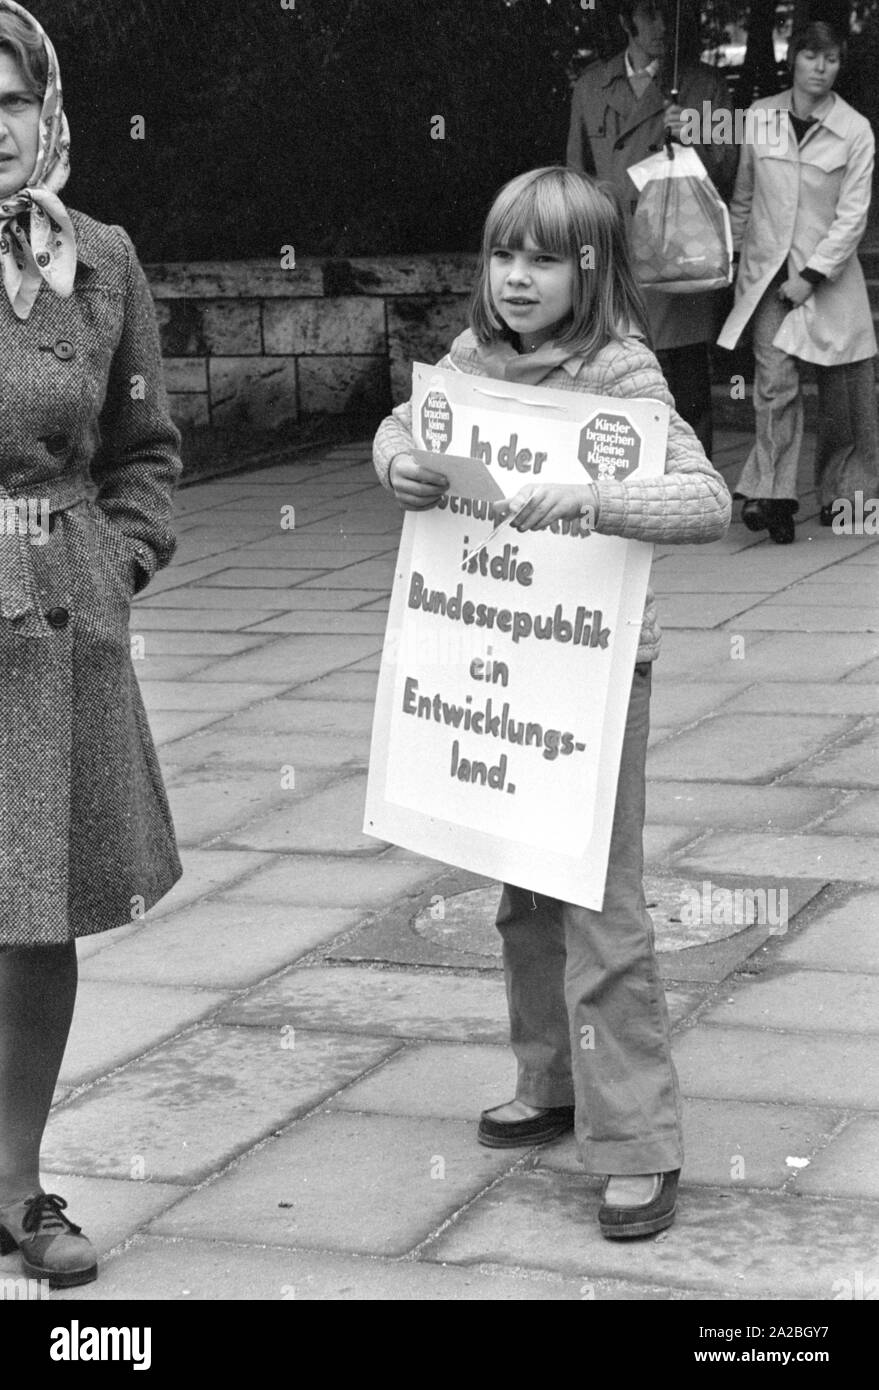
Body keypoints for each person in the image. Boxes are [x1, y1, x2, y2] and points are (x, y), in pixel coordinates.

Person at [372, 166, 730, 1239]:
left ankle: (637, 1143)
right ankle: (551, 1081)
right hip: (503, 671)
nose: (517, 278)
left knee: (602, 907)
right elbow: (401, 427)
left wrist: (595, 498)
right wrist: (398, 462)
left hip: (596, 678)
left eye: (544, 258)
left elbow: (706, 497)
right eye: (502, 255)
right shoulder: (474, 362)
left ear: (592, 269)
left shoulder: (624, 374)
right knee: (524, 891)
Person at [0, 0, 182, 1287]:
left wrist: (113, 564)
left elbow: (149, 454)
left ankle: (16, 1184)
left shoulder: (101, 258)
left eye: (8, 95)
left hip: (58, 626)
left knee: (36, 912)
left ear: (45, 106)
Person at [717, 21, 878, 545]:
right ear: (795, 59)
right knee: (774, 385)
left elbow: (853, 216)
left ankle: (844, 497)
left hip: (829, 279)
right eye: (811, 56)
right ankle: (773, 495)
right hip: (769, 279)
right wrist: (733, 258)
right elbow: (744, 195)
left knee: (845, 396)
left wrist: (811, 275)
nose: (821, 68)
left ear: (840, 65)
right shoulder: (761, 116)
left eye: (831, 59)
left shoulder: (855, 130)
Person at [566, 0, 738, 458]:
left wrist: (693, 134)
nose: (663, 26)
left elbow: (728, 170)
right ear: (626, 21)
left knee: (685, 384)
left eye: (669, 14)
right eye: (650, 15)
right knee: (617, 379)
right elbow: (576, 173)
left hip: (677, 254)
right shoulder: (590, 86)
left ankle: (692, 486)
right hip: (616, 254)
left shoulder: (703, 85)